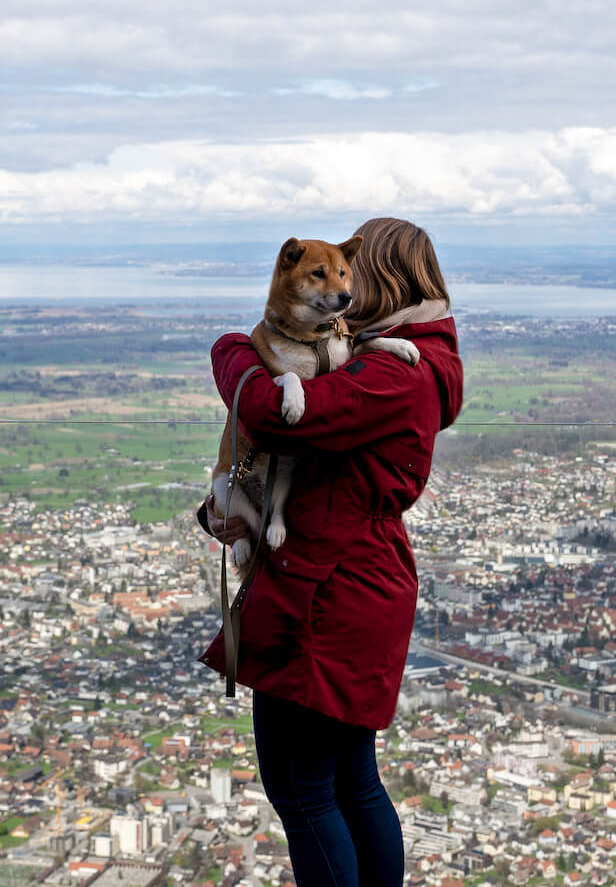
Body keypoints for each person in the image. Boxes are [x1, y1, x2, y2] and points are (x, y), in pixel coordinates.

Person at [195, 216, 463, 887]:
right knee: (349, 779)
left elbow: (274, 413)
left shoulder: (393, 373)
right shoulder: (392, 356)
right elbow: (298, 458)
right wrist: (225, 509)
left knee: (303, 790)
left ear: (384, 277)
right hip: (351, 578)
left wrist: (230, 348)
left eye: (356, 270)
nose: (344, 282)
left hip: (331, 590)